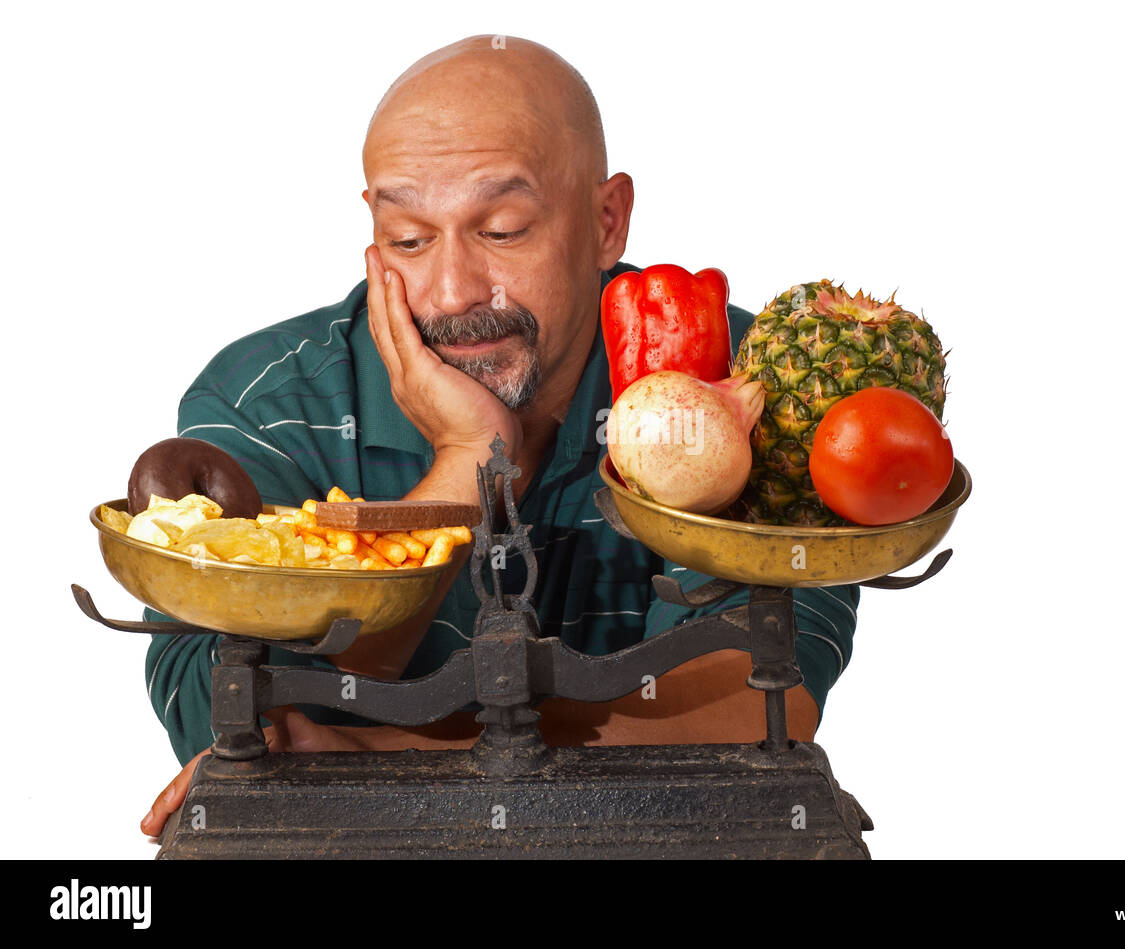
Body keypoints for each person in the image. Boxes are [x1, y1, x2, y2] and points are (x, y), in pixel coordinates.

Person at [140, 35, 859, 838]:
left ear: (607, 221)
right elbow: (219, 702)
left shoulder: (733, 385)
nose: (452, 292)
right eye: (410, 240)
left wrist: (369, 745)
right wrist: (465, 464)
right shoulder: (268, 399)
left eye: (505, 229)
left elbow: (760, 695)